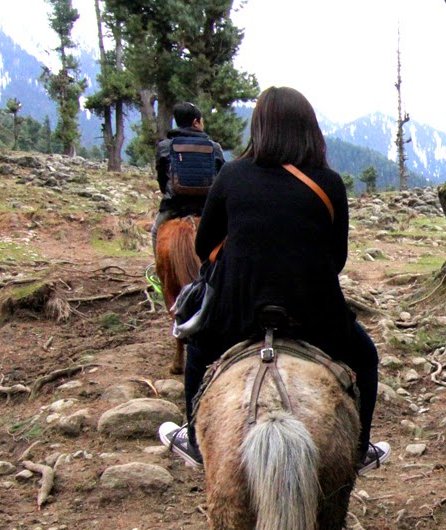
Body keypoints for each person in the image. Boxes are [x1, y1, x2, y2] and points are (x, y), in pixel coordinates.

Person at [158, 86, 389, 475]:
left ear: (260, 127)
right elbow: (338, 259)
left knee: (196, 351)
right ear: (308, 129)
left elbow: (204, 244)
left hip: (237, 310)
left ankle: (195, 443)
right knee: (366, 358)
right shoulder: (329, 183)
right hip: (314, 314)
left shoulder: (231, 175)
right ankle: (360, 451)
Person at [151, 102, 225, 252]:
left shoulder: (165, 146)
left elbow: (162, 178)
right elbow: (222, 179)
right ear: (195, 122)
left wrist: (168, 193)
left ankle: (159, 265)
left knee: (155, 232)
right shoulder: (214, 147)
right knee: (225, 234)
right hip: (205, 208)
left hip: (174, 206)